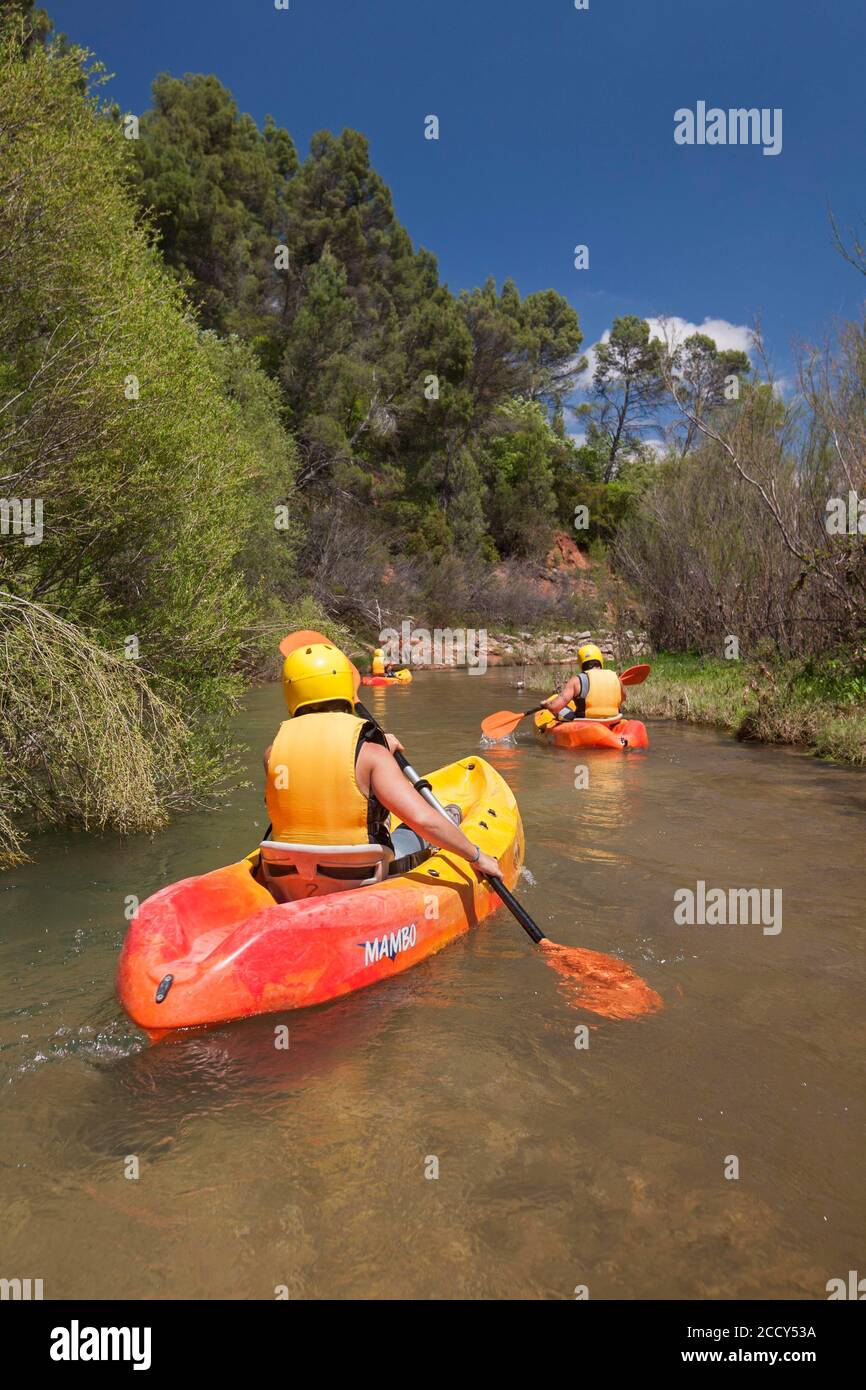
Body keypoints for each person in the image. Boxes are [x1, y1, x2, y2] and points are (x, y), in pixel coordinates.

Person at [261, 641, 501, 901]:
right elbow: (423, 821)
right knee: (418, 829)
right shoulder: (372, 755)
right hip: (357, 878)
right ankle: (453, 816)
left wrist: (380, 745)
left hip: (287, 876)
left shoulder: (272, 753)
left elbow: (322, 777)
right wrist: (477, 856)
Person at [543, 643, 625, 723]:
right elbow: (623, 698)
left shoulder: (577, 681)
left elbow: (555, 707)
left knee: (561, 710)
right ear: (600, 660)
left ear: (581, 663)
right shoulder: (616, 677)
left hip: (586, 721)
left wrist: (547, 705)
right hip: (612, 719)